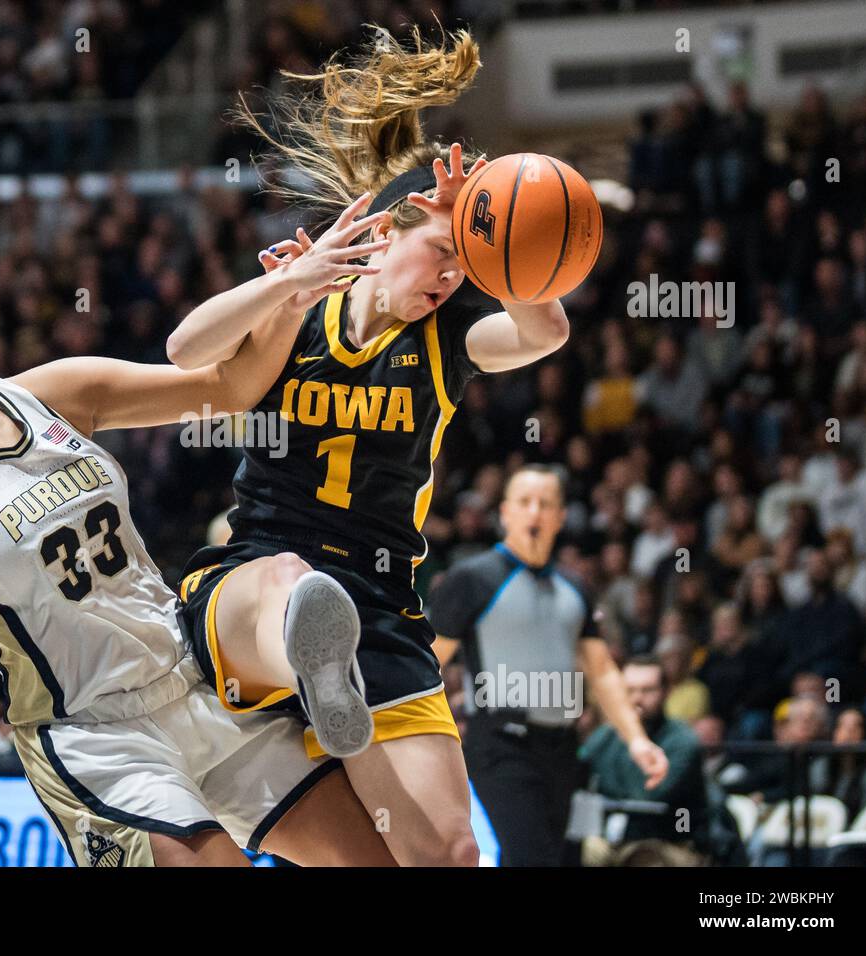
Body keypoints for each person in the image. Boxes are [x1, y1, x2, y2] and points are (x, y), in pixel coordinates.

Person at [0, 119, 394, 867]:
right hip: (94, 736)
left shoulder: (53, 392)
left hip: (191, 677)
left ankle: (298, 652)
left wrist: (293, 295)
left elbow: (228, 385)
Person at [166, 25, 571, 867]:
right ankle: (320, 678)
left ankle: (334, 690)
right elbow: (185, 351)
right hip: (258, 576)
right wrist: (279, 285)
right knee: (293, 585)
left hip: (383, 603)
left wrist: (503, 258)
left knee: (451, 854)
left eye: (467, 269)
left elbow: (544, 333)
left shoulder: (450, 336)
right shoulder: (301, 299)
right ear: (389, 230)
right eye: (443, 255)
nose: (448, 280)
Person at [426, 465, 669, 866]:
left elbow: (602, 669)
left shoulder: (575, 587)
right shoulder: (472, 579)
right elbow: (428, 661)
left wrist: (637, 739)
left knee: (558, 858)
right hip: (502, 744)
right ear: (505, 513)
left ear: (560, 516)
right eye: (525, 503)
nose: (535, 512)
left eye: (546, 504)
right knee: (532, 858)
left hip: (563, 749)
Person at [580, 656, 709, 864]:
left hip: (672, 839)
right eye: (629, 690)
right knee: (579, 850)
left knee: (644, 859)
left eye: (647, 690)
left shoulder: (682, 740)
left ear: (666, 692)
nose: (637, 699)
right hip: (613, 838)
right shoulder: (606, 736)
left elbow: (648, 795)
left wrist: (628, 744)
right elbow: (575, 775)